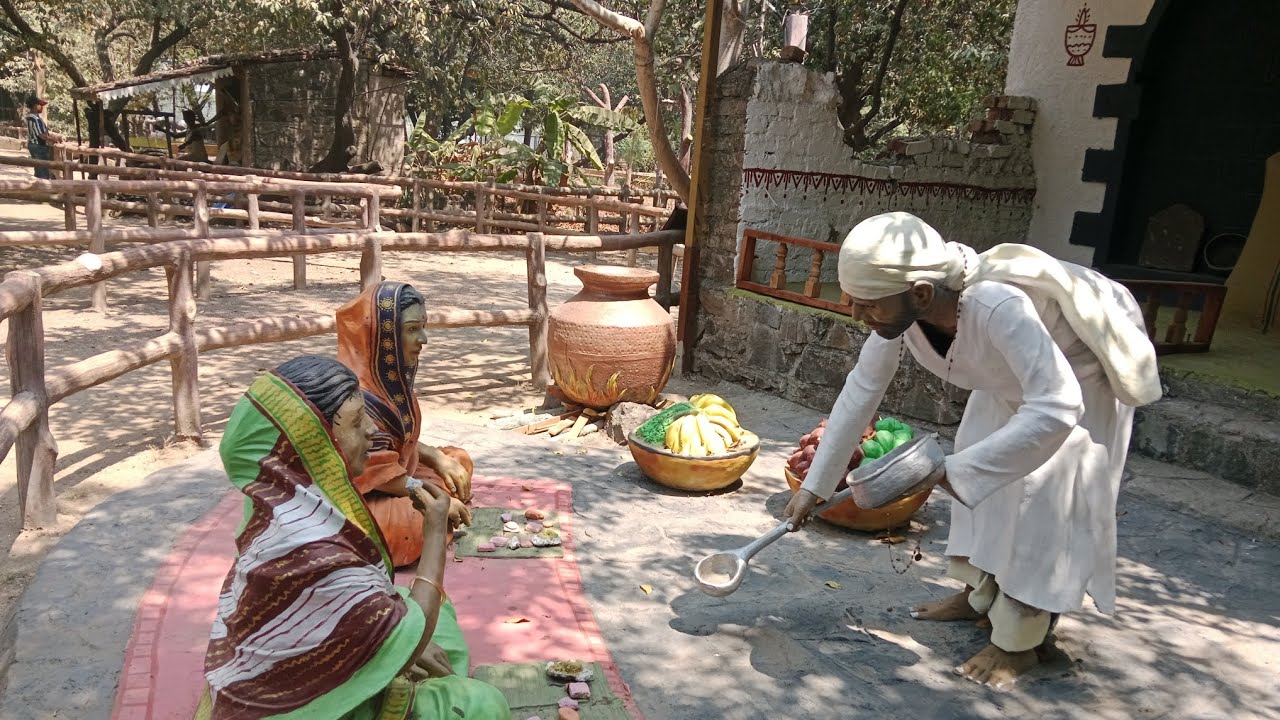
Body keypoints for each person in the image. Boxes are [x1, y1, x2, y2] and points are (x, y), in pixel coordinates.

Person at [784, 212, 1161, 689]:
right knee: (979, 474)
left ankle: (1020, 643)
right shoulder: (901, 313)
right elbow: (862, 388)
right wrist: (816, 486)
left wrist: (951, 471)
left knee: (1043, 504)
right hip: (1008, 379)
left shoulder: (998, 306)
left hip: (1077, 382)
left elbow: (1060, 403)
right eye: (854, 303)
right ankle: (978, 595)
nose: (857, 316)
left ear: (922, 294)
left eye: (868, 305)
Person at [197, 356, 510, 719]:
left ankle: (392, 648)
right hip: (296, 705)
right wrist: (435, 532)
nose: (372, 430)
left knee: (433, 611)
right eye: (358, 421)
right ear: (316, 441)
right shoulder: (312, 548)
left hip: (295, 660)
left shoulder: (284, 499)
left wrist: (391, 645)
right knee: (481, 705)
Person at [337, 281, 475, 567]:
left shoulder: (387, 379)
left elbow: (398, 443)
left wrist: (437, 458)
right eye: (412, 329)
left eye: (423, 327)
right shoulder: (354, 397)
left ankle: (439, 507)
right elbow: (373, 470)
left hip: (397, 473)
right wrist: (428, 494)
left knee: (457, 460)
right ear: (383, 336)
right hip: (361, 494)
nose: (423, 339)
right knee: (409, 524)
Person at [24, 96, 63, 179]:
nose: (42, 107)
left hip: (33, 144)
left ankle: (40, 183)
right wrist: (54, 139)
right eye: (40, 105)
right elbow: (41, 135)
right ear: (35, 106)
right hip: (38, 146)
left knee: (38, 168)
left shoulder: (29, 117)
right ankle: (43, 184)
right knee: (43, 170)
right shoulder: (35, 119)